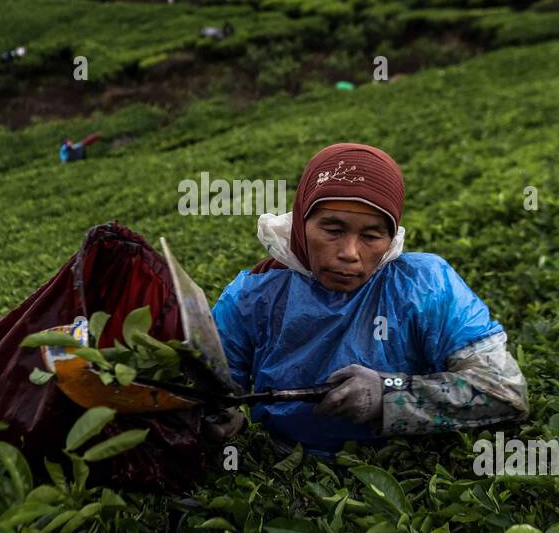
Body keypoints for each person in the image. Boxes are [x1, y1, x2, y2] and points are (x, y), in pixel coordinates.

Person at [209, 142, 528, 454]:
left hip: (404, 464)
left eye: (371, 236)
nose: (349, 253)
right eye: (332, 230)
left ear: (391, 238)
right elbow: (212, 392)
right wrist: (219, 419)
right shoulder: (253, 295)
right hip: (283, 466)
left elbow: (505, 391)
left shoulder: (425, 285)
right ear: (301, 222)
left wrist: (390, 395)